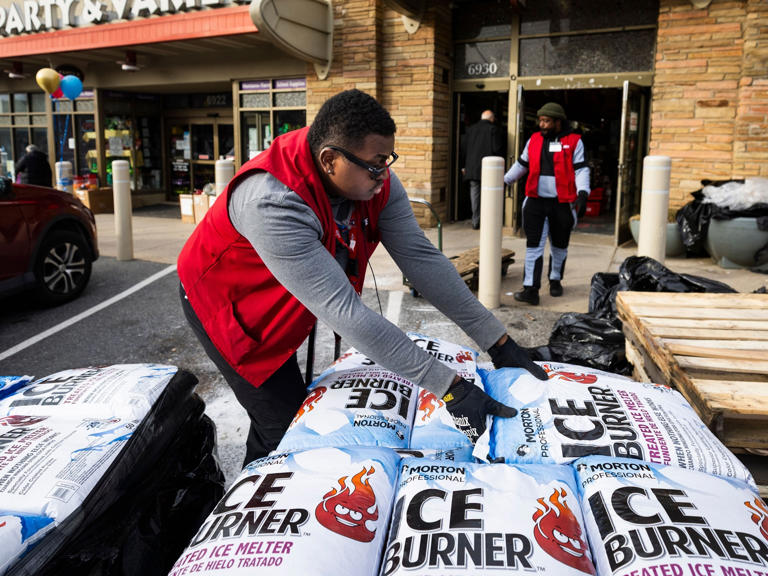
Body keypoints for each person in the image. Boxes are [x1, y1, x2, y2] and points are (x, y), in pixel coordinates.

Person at [177, 89, 547, 466]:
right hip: (230, 308)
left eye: (387, 160)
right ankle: (250, 512)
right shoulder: (273, 200)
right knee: (287, 430)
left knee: (283, 414)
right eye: (375, 164)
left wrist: (498, 341)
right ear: (329, 160)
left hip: (287, 297)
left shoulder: (370, 178)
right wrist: (449, 387)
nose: (383, 175)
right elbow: (346, 312)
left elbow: (422, 260)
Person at [503, 102, 590, 305]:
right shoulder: (533, 140)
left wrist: (583, 192)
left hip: (563, 203)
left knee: (560, 247)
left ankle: (555, 280)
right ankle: (531, 289)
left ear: (558, 122)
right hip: (535, 202)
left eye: (547, 121)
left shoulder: (575, 141)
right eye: (540, 120)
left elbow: (581, 169)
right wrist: (504, 180)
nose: (542, 124)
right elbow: (522, 164)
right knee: (534, 247)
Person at [460, 110, 504, 229]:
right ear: (492, 118)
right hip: (489, 169)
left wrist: (464, 166)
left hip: (472, 168)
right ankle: (489, 221)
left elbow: (464, 149)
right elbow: (497, 149)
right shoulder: (493, 129)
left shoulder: (471, 129)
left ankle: (476, 221)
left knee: (475, 194)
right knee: (490, 194)